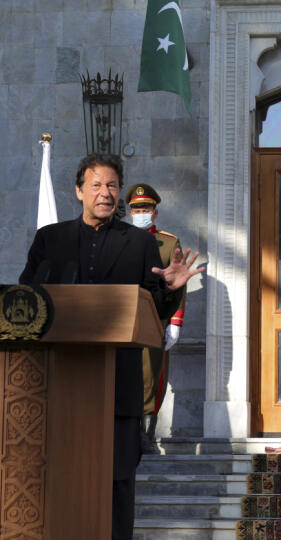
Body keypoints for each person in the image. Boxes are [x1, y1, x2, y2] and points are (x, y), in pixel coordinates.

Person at [18, 154, 204, 540]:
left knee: (118, 483)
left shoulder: (139, 243)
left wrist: (172, 290)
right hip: (62, 383)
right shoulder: (50, 239)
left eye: (113, 186)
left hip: (118, 384)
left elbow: (151, 313)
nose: (106, 193)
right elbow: (26, 300)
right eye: (97, 185)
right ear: (79, 191)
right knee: (62, 478)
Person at [124, 183, 186, 453]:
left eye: (146, 208)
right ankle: (127, 432)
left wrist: (175, 322)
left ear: (155, 212)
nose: (141, 212)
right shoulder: (120, 239)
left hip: (154, 319)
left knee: (152, 374)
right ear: (129, 212)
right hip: (122, 318)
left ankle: (146, 435)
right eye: (137, 208)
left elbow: (178, 284)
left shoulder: (168, 242)